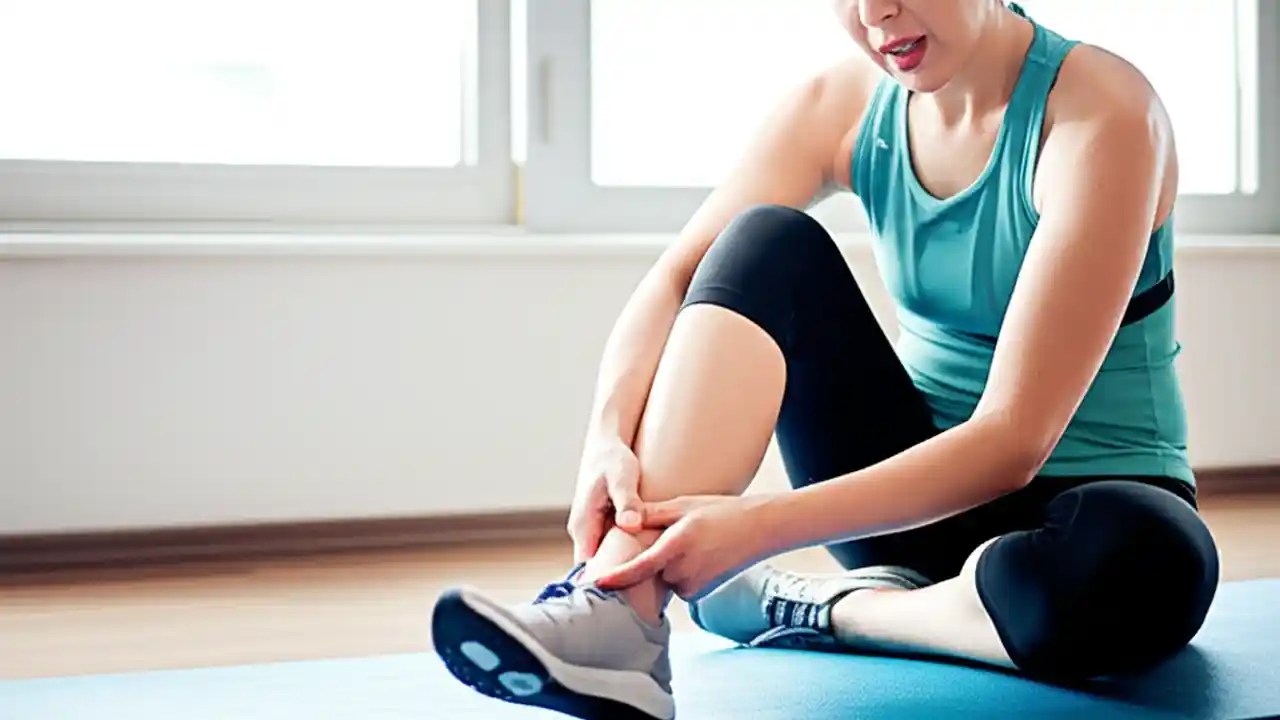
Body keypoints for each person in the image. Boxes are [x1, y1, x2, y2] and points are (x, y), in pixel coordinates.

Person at [431, 1, 1220, 718]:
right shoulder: (842, 106)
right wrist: (606, 437)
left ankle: (815, 608)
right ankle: (619, 607)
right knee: (764, 242)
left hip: (1085, 514)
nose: (875, 11)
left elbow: (1015, 439)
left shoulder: (1101, 112)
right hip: (909, 510)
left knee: (1152, 560)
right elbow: (676, 276)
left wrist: (759, 531)